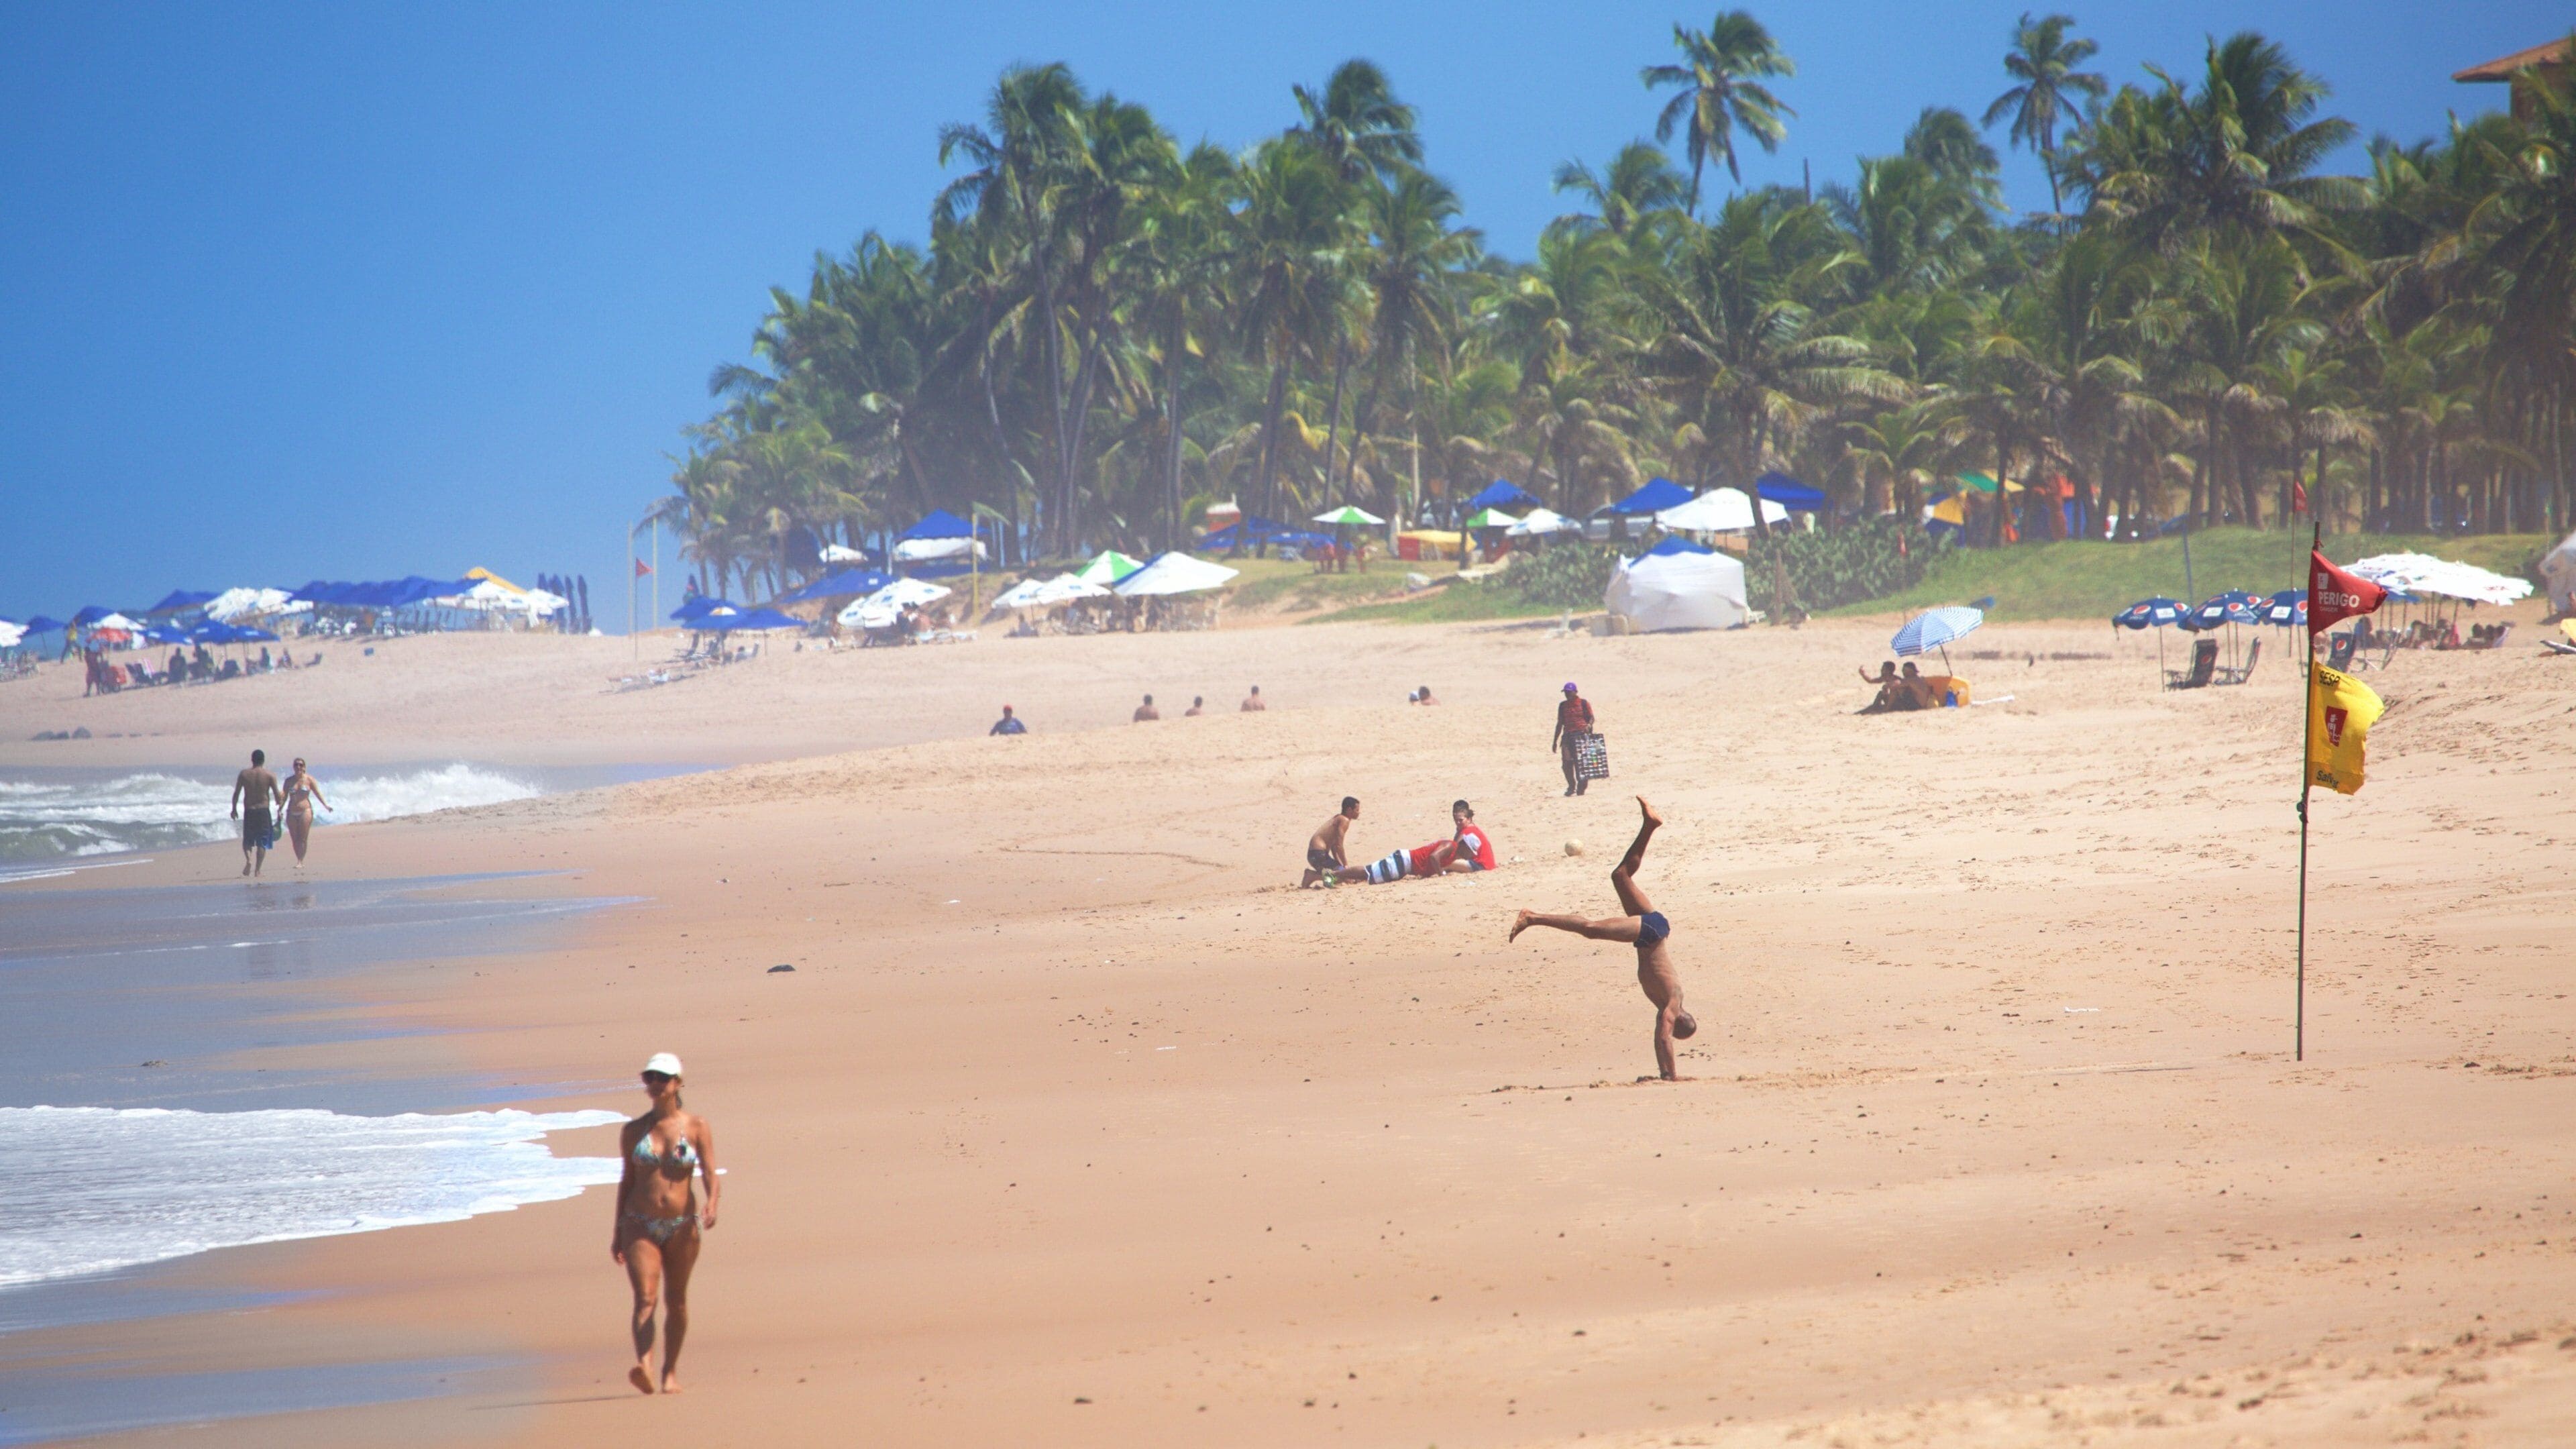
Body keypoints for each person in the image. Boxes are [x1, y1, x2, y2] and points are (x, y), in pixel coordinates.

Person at [1509, 797, 1695, 1081]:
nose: (1665, 1027)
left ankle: (1649, 826)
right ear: (1678, 1020)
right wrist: (1672, 1076)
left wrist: (1664, 1073)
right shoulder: (1672, 1003)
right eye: (1670, 1026)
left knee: (1621, 876)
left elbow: (1661, 1038)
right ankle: (1532, 917)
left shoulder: (1665, 1006)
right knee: (1591, 929)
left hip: (1654, 930)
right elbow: (1663, 1040)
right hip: (1650, 932)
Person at [614, 1052, 719, 1395]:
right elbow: (627, 1180)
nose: (656, 1084)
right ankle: (643, 1364)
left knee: (676, 1300)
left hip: (683, 1225)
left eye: (663, 1077)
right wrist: (618, 1231)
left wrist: (713, 1203)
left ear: (678, 1083)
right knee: (645, 1297)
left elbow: (710, 1173)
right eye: (650, 1078)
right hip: (639, 1224)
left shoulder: (696, 1126)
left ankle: (669, 1373)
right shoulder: (633, 1131)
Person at [229, 749, 283, 877]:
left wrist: (234, 809)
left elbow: (236, 793)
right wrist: (280, 803)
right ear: (263, 760)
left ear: (252, 760)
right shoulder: (269, 775)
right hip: (263, 811)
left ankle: (248, 860)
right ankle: (258, 870)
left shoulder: (244, 774)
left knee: (248, 840)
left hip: (249, 811)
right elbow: (277, 797)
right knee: (262, 842)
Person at [280, 757, 331, 867]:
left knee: (303, 838)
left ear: (304, 767)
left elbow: (318, 793)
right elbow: (284, 797)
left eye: (301, 765)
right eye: (296, 765)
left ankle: (300, 861)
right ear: (293, 767)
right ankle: (299, 858)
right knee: (294, 838)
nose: (298, 767)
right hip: (291, 812)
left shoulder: (309, 780)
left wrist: (326, 806)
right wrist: (280, 809)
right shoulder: (289, 781)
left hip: (305, 811)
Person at [1301, 796, 1360, 887]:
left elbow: (1334, 846)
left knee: (1338, 876)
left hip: (1315, 855)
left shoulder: (1338, 819)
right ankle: (1312, 876)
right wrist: (1346, 866)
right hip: (1318, 855)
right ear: (1349, 810)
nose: (1359, 813)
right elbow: (1339, 846)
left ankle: (1324, 881)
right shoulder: (1344, 820)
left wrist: (1340, 865)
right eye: (1357, 810)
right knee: (1344, 877)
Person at [1551, 682, 1597, 796]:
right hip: (1567, 736)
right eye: (1565, 693)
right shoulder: (1562, 706)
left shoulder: (1583, 703)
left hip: (1582, 736)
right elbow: (1560, 723)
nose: (1567, 695)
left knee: (1582, 763)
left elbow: (1591, 718)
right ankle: (1571, 785)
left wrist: (1589, 726)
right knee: (1566, 763)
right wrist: (1555, 741)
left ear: (1575, 692)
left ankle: (1581, 787)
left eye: (1569, 692)